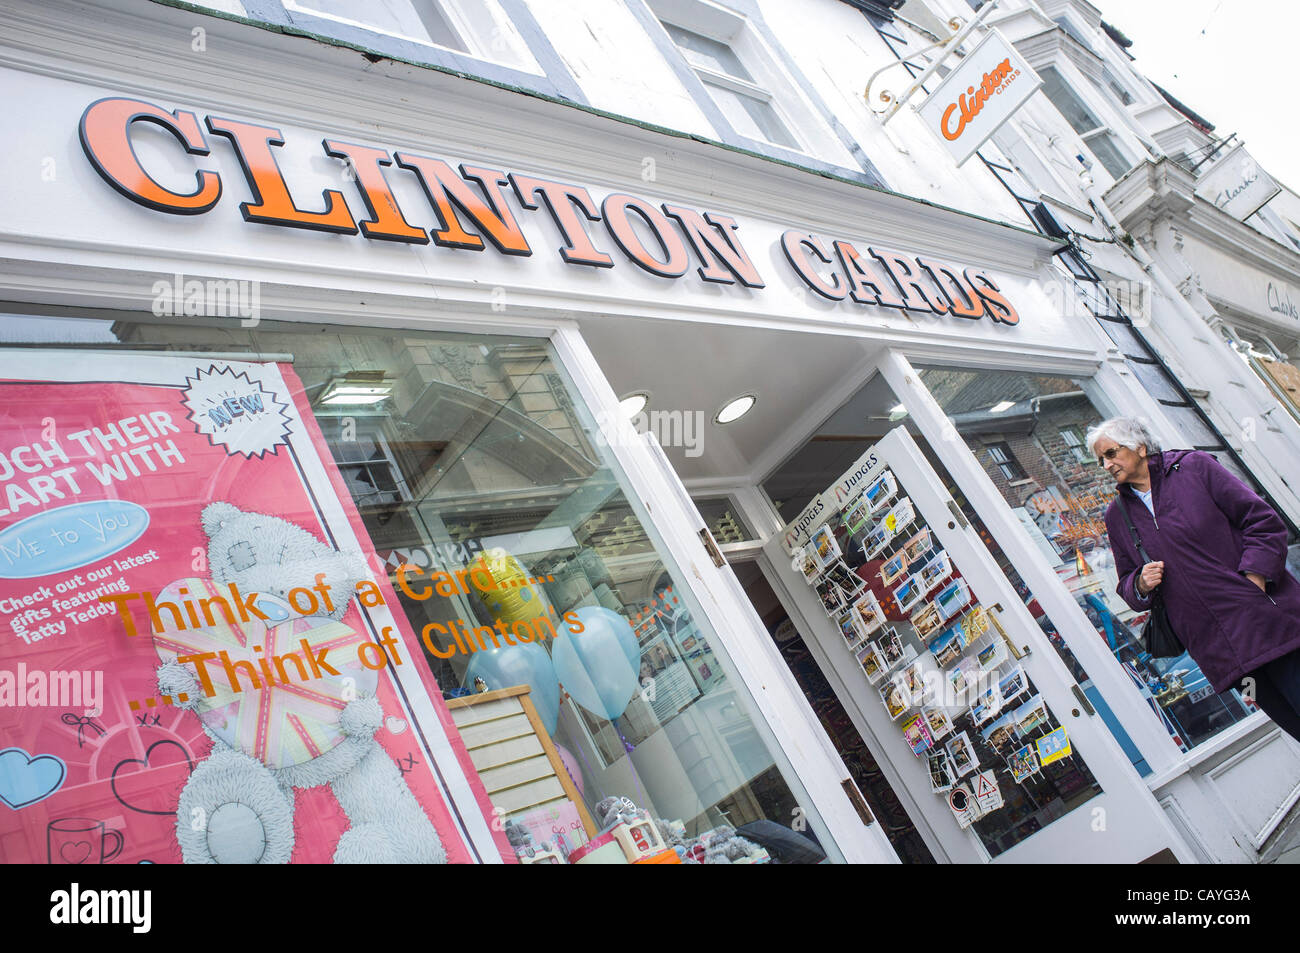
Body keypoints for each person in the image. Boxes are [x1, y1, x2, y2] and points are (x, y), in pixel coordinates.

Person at [1088, 416, 1300, 742]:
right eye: (1101, 459)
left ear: (1140, 447)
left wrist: (1253, 580)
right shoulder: (1117, 515)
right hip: (1221, 650)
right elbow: (1126, 583)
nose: (1106, 465)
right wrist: (1140, 583)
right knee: (1292, 724)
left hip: (1268, 623)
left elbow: (1261, 522)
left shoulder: (1194, 468)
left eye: (1111, 453)